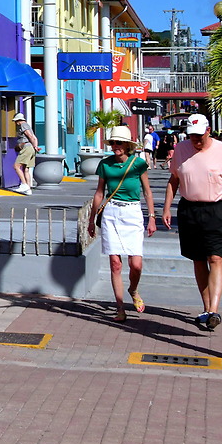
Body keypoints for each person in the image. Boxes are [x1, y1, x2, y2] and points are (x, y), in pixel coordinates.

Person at [161, 112, 222, 331]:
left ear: (208, 131)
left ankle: (214, 310)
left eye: (199, 135)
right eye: (192, 136)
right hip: (190, 209)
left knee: (216, 258)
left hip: (217, 210)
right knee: (198, 259)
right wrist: (166, 208)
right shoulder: (181, 150)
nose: (196, 140)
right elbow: (174, 180)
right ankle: (208, 310)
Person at [88, 126, 156, 322]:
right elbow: (99, 193)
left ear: (127, 145)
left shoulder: (138, 164)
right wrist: (92, 219)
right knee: (115, 263)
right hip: (111, 212)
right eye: (113, 142)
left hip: (132, 212)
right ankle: (120, 307)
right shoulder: (105, 164)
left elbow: (147, 192)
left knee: (136, 264)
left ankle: (133, 290)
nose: (115, 146)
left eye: (119, 142)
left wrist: (152, 217)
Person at [12, 111, 38, 194]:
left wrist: (33, 145)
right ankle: (28, 189)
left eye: (16, 121)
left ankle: (24, 184)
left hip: (26, 148)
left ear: (19, 120)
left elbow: (30, 136)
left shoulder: (23, 125)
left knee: (16, 166)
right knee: (26, 169)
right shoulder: (28, 125)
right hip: (31, 148)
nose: (16, 123)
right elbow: (34, 138)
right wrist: (35, 146)